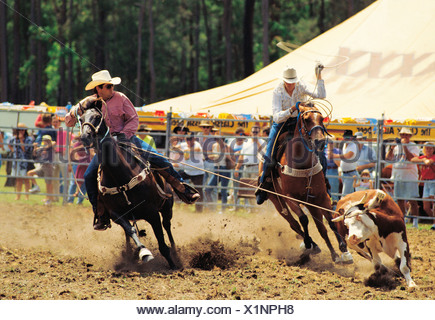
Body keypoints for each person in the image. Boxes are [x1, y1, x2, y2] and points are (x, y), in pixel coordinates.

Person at [64, 70, 199, 230]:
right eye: (108, 86)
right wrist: (71, 114)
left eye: (112, 85)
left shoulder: (120, 98)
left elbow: (133, 118)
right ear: (98, 88)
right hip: (105, 147)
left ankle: (182, 188)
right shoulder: (89, 103)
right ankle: (100, 213)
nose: (111, 88)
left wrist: (124, 135)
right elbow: (70, 120)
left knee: (159, 159)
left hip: (127, 139)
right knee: (89, 176)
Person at [256, 64, 326, 205]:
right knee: (269, 154)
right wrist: (292, 109)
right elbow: (276, 117)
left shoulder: (301, 85)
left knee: (320, 148)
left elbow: (321, 95)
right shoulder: (277, 91)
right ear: (284, 81)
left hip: (302, 122)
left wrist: (319, 76)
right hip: (282, 123)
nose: (291, 84)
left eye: (293, 81)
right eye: (289, 81)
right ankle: (263, 185)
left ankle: (325, 186)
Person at [386, 127, 420, 226]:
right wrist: (391, 149)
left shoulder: (414, 146)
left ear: (409, 136)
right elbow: (388, 158)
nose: (403, 136)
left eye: (405, 134)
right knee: (400, 200)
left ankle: (415, 221)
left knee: (412, 200)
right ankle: (402, 220)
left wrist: (404, 146)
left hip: (410, 176)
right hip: (398, 175)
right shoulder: (396, 146)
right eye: (402, 134)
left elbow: (411, 158)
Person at [411, 141, 435, 230]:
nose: (428, 150)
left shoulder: (434, 157)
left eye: (430, 148)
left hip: (433, 181)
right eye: (427, 148)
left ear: (433, 150)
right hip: (426, 182)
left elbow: (429, 162)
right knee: (426, 207)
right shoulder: (424, 157)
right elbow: (413, 160)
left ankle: (434, 223)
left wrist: (425, 160)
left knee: (433, 202)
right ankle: (433, 220)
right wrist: (423, 160)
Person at [178, 133, 204, 213]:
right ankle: (178, 203)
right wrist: (177, 148)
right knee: (175, 180)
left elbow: (197, 149)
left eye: (190, 139)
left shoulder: (197, 145)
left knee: (198, 190)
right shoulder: (184, 144)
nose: (189, 141)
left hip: (197, 172)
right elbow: (174, 147)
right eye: (187, 139)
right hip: (187, 171)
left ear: (193, 139)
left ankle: (199, 210)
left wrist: (186, 150)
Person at [205, 135, 231, 213]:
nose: (218, 141)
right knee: (207, 189)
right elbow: (210, 156)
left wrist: (225, 154)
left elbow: (230, 158)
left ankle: (223, 210)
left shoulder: (227, 147)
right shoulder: (214, 146)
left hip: (225, 169)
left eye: (220, 140)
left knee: (223, 190)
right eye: (216, 139)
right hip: (216, 168)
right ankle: (212, 208)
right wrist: (213, 156)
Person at [27, 135, 55, 205]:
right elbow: (35, 155)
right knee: (30, 173)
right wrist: (35, 147)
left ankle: (49, 199)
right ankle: (36, 187)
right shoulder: (42, 147)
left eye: (47, 140)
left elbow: (54, 143)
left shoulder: (51, 146)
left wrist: (42, 148)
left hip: (49, 166)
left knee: (48, 183)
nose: (45, 141)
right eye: (44, 140)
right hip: (42, 166)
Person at [9, 124, 34, 200]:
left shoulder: (28, 139)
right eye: (19, 129)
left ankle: (27, 196)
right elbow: (10, 145)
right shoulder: (14, 139)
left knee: (26, 179)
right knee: (18, 180)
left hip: (25, 162)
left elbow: (26, 150)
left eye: (23, 130)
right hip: (17, 162)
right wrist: (13, 151)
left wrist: (21, 140)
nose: (21, 131)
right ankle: (18, 196)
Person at [333, 130, 359, 198]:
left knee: (345, 196)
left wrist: (335, 156)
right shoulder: (345, 145)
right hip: (345, 173)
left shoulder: (353, 145)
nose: (347, 139)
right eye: (346, 137)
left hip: (350, 173)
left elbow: (348, 156)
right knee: (349, 195)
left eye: (348, 138)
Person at [67, 136, 91, 205]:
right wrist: (69, 164)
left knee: (84, 183)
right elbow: (72, 151)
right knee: (74, 182)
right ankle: (70, 200)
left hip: (86, 164)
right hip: (77, 163)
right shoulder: (77, 143)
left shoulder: (88, 144)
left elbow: (90, 153)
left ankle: (80, 201)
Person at [197, 120, 217, 203]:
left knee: (212, 185)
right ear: (201, 128)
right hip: (200, 162)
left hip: (210, 163)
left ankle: (213, 205)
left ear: (210, 128)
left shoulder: (213, 138)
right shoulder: (197, 137)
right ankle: (204, 205)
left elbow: (215, 152)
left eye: (207, 127)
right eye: (204, 127)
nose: (205, 128)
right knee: (201, 184)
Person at [325, 135, 341, 201]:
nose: (329, 143)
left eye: (331, 142)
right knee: (324, 192)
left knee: (334, 192)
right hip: (325, 171)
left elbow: (339, 164)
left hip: (334, 171)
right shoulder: (323, 150)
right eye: (328, 141)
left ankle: (334, 209)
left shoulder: (337, 151)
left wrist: (332, 155)